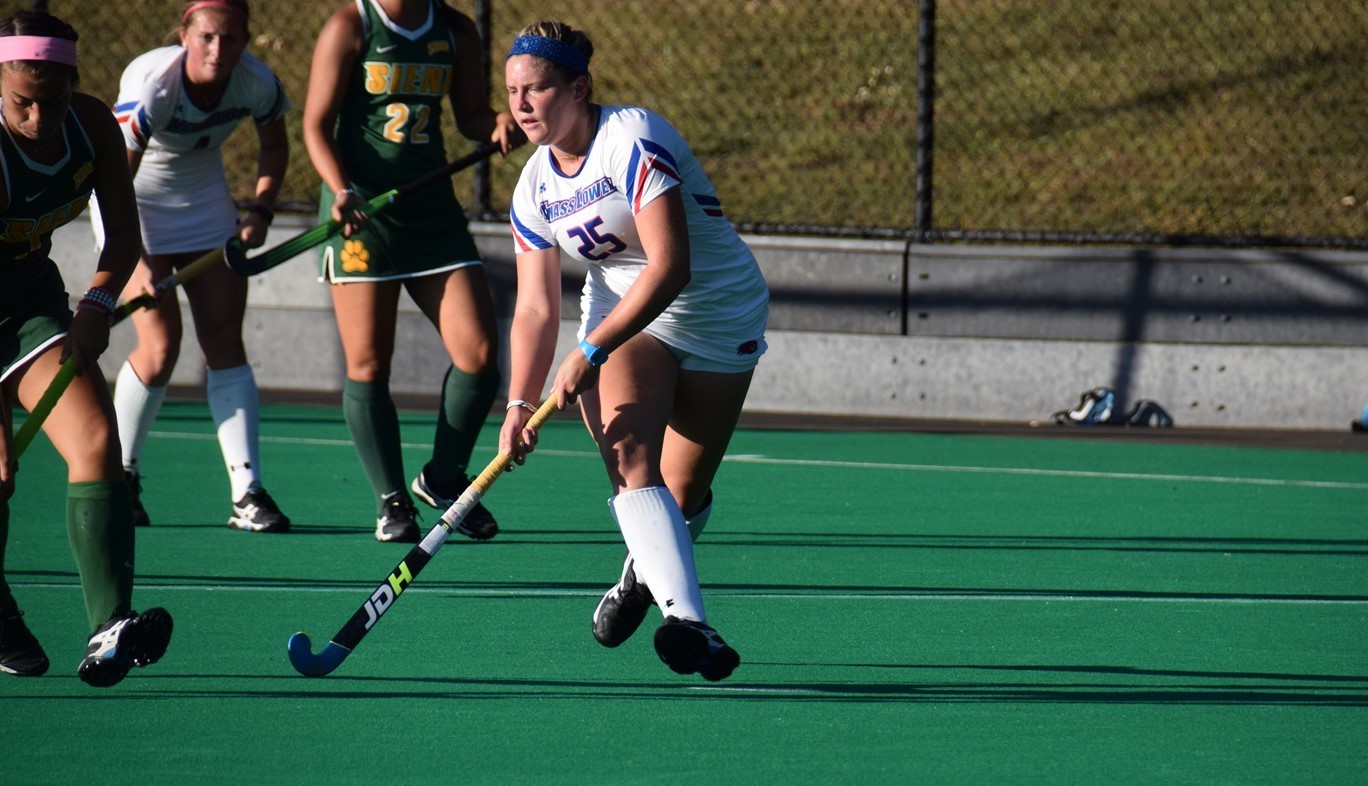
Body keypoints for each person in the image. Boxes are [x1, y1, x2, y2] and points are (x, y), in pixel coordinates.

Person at [499, 20, 768, 682]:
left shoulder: (632, 139)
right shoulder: (533, 188)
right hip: (625, 320)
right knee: (630, 461)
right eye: (512, 92)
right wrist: (518, 401)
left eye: (537, 90)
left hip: (718, 310)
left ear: (578, 88)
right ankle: (691, 624)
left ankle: (640, 576)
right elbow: (535, 306)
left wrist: (588, 348)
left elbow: (671, 266)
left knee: (680, 496)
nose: (523, 106)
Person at [0, 10, 173, 687]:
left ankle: (110, 629)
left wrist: (99, 304)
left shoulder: (92, 125)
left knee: (96, 438)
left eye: (54, 99)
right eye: (22, 102)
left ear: (75, 83)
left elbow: (121, 237)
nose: (41, 118)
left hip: (28, 305)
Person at [302, 0, 518, 543]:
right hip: (361, 213)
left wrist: (495, 123)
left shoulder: (456, 29)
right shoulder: (350, 26)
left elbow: (469, 115)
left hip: (432, 212)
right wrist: (341, 189)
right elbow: (315, 125)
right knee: (370, 363)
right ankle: (391, 499)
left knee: (481, 356)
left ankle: (444, 480)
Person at [104, 0, 291, 533]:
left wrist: (259, 212)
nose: (218, 50)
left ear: (245, 39)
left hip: (206, 203)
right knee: (160, 345)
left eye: (231, 39)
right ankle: (121, 476)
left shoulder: (256, 82)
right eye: (207, 37)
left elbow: (274, 146)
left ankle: (247, 493)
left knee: (224, 340)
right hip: (135, 205)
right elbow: (113, 184)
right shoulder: (154, 86)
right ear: (185, 33)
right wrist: (132, 262)